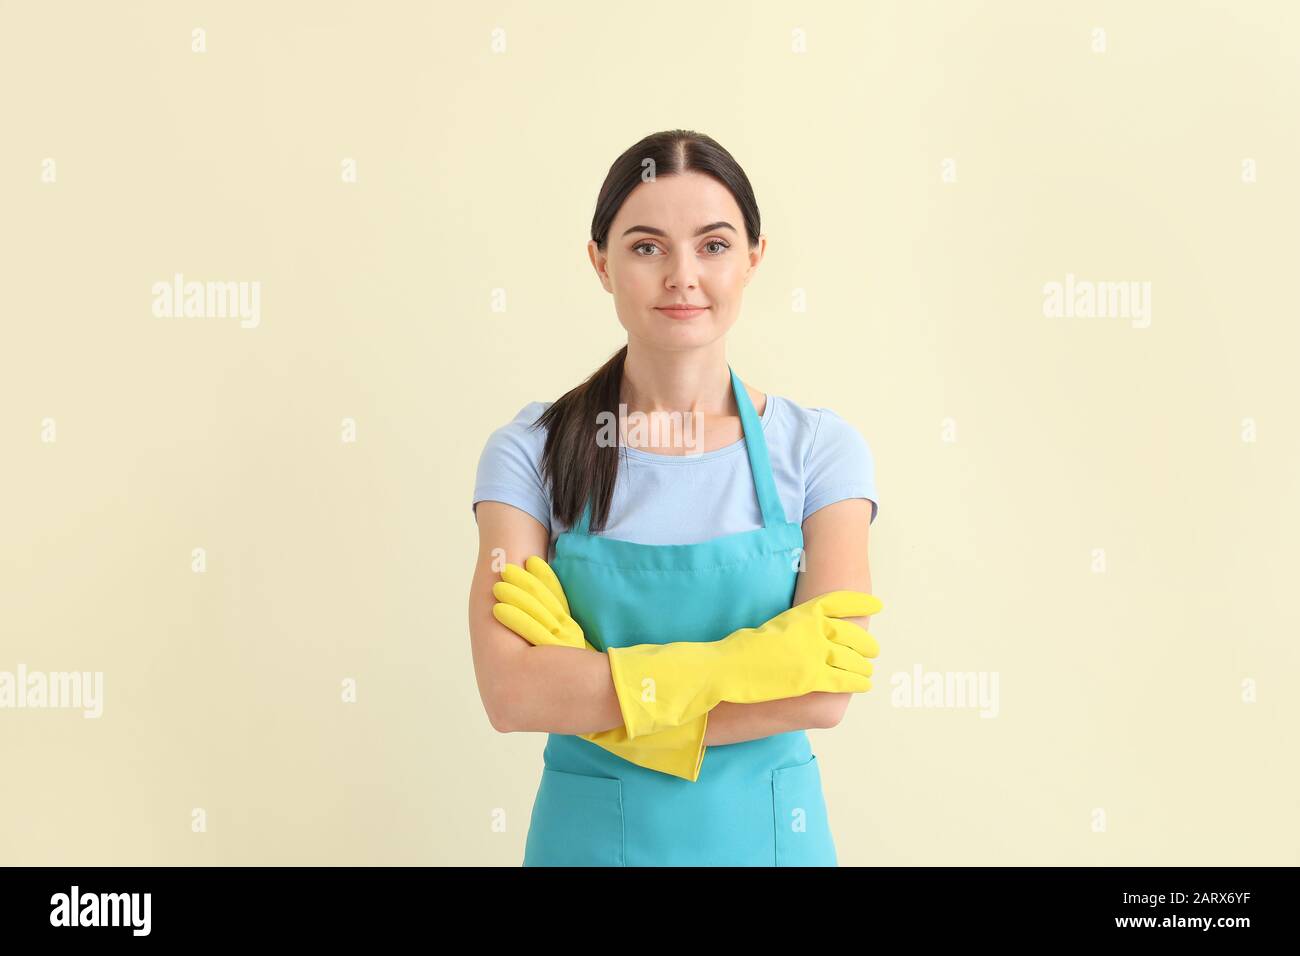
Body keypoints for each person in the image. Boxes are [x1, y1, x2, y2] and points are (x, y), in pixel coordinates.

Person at [468, 129, 883, 866]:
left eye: (715, 246)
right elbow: (512, 694)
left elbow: (824, 694)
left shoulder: (819, 452)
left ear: (755, 256)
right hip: (590, 848)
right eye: (646, 247)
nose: (682, 276)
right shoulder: (529, 451)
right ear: (600, 262)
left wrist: (599, 688)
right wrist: (745, 666)